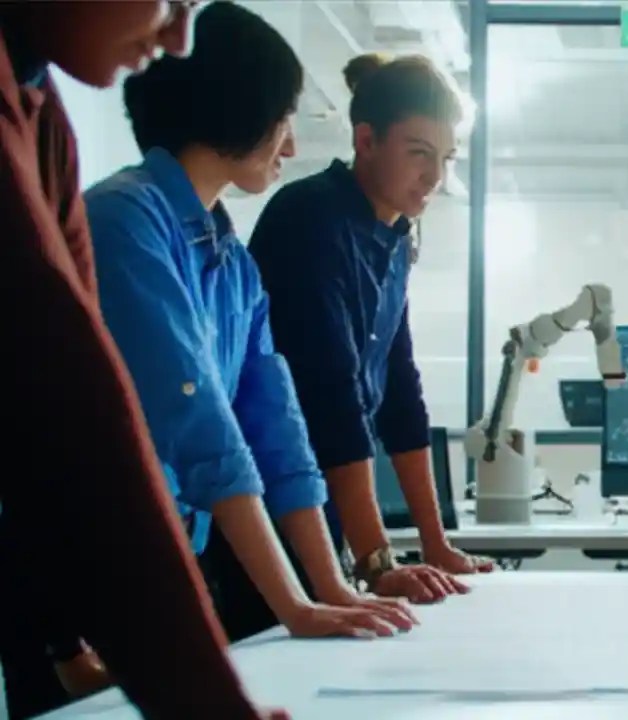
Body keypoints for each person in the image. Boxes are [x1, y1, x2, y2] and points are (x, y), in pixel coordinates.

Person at [83, 0, 417, 646]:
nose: (290, 144)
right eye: (285, 119)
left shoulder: (234, 265)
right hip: (83, 569)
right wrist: (296, 606)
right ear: (234, 106)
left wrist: (334, 590)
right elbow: (201, 423)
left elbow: (279, 437)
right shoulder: (124, 222)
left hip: (169, 564)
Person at [0, 1, 285, 719]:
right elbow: (79, 407)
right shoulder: (127, 215)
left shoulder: (44, 116)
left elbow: (75, 425)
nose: (178, 37)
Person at [248, 53, 491, 604]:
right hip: (268, 503)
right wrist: (378, 562)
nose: (435, 176)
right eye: (419, 154)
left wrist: (436, 544)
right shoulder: (312, 219)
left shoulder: (396, 235)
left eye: (446, 158)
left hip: (327, 506)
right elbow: (334, 399)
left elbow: (399, 392)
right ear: (365, 141)